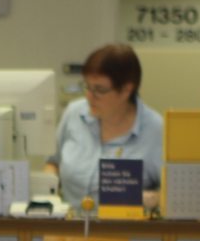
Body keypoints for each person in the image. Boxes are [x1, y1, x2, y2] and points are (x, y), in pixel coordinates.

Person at [46, 43, 164, 207]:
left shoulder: (156, 129)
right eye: (87, 86)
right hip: (69, 226)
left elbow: (173, 193)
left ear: (126, 90)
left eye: (99, 90)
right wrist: (48, 195)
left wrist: (153, 199)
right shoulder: (74, 113)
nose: (89, 96)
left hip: (125, 229)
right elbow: (53, 163)